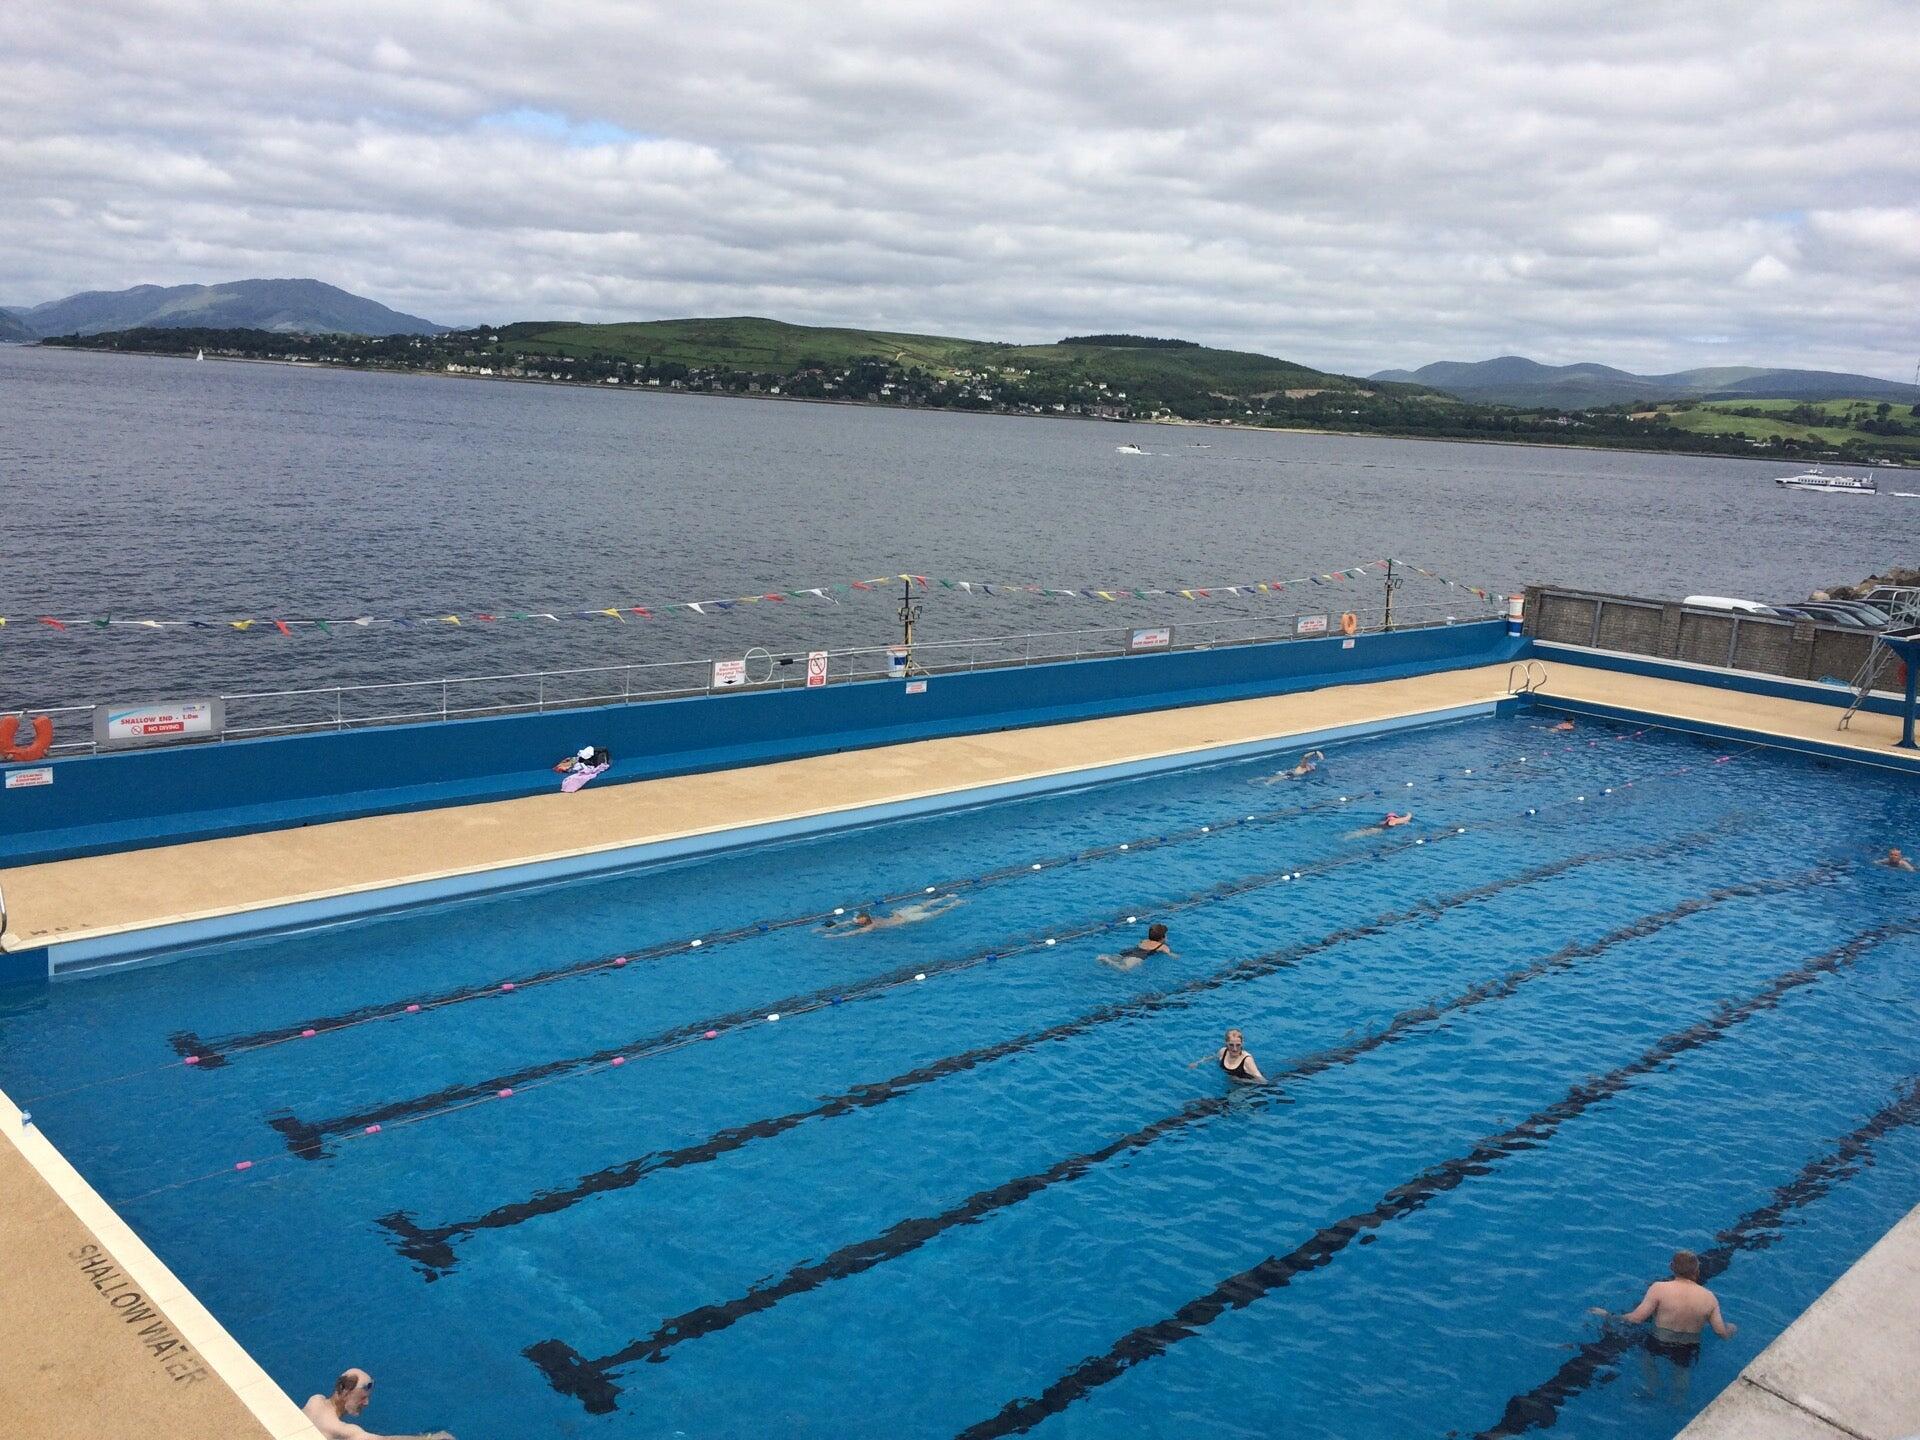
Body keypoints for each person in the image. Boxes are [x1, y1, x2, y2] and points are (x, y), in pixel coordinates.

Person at [1589, 1251, 1736, 1401]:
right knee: (1681, 1372)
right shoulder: (1709, 1297)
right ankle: (1678, 1401)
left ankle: (1651, 1389)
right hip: (1687, 1346)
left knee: (1648, 1361)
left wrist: (1608, 1315)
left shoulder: (1659, 1288)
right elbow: (1720, 1332)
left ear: (1672, 1267)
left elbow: (1636, 1319)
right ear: (1697, 1271)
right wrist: (1730, 1329)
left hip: (1658, 1340)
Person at [302, 1369, 453, 1440]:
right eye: (362, 1398)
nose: (366, 1403)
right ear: (346, 1393)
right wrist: (428, 1438)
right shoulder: (342, 1429)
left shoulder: (315, 1400)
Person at [823, 893, 964, 934]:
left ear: (864, 920)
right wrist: (834, 927)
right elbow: (848, 923)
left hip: (903, 919)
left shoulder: (871, 926)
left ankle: (950, 901)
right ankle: (950, 900)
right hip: (900, 916)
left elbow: (852, 933)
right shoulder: (869, 921)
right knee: (925, 908)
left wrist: (834, 937)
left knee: (932, 911)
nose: (855, 920)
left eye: (858, 919)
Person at [1189, 1027, 1265, 1083]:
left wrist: (1239, 1080)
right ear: (1226, 1043)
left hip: (1246, 1089)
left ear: (1242, 1044)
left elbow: (1262, 1081)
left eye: (1238, 1045)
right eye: (1231, 1045)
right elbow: (1213, 1057)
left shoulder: (1247, 1060)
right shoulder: (1223, 1051)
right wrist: (1197, 1063)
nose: (1235, 1049)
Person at [1100, 921, 1172, 971]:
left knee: (1120, 958)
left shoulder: (1144, 941)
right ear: (1163, 937)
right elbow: (1170, 954)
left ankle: (1107, 958)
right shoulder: (1162, 946)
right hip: (1139, 956)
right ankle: (1110, 962)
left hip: (1130, 951)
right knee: (1125, 969)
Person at [1259, 749, 1324, 784]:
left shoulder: (1306, 769)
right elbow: (1305, 756)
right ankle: (1266, 784)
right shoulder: (1303, 767)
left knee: (1270, 778)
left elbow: (1316, 762)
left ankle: (1256, 780)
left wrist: (1320, 757)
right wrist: (1315, 752)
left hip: (1291, 775)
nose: (1313, 766)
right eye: (1312, 766)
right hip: (1290, 775)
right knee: (1272, 780)